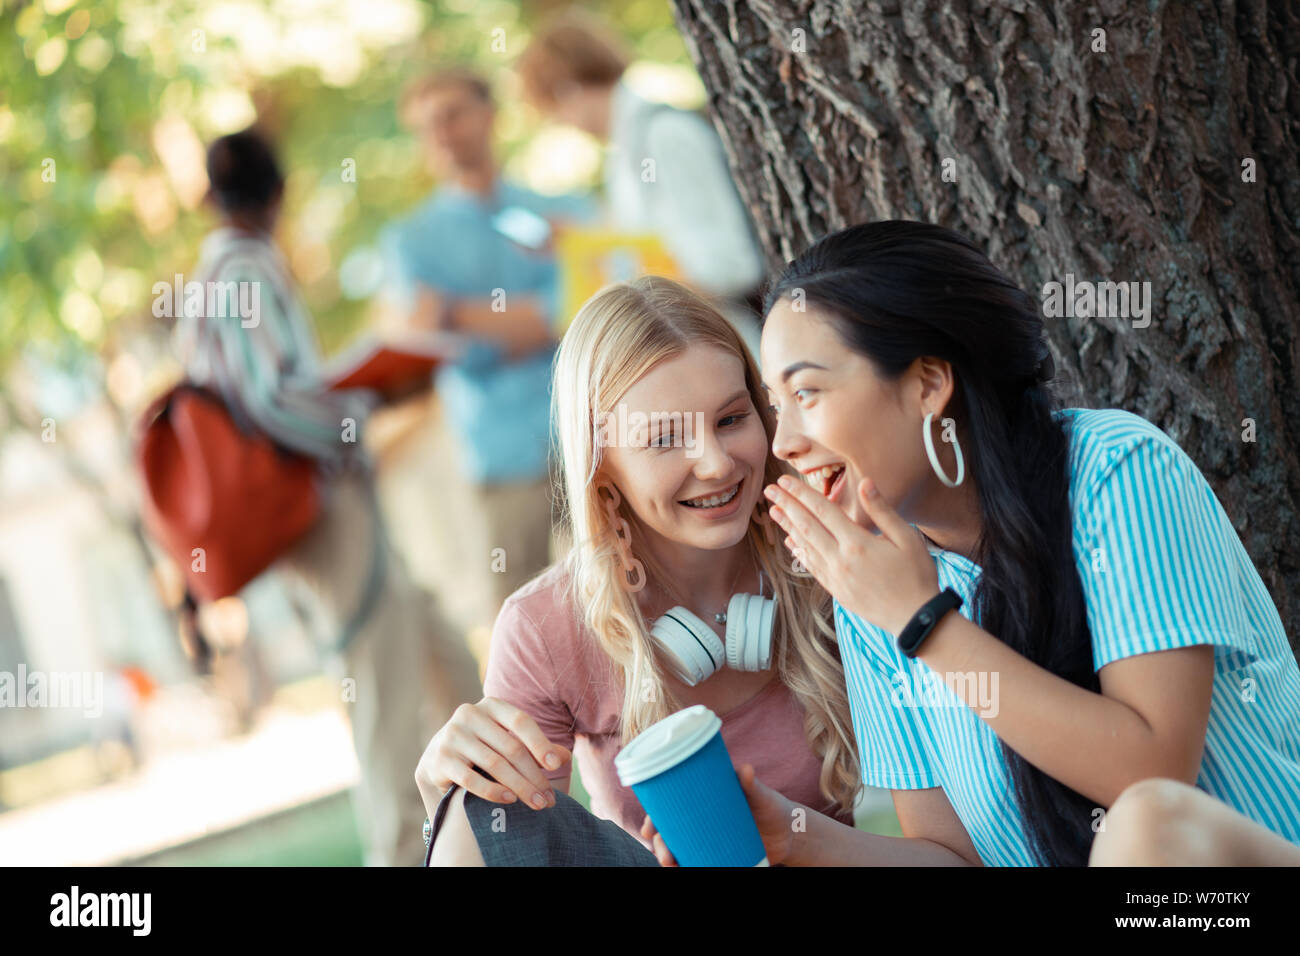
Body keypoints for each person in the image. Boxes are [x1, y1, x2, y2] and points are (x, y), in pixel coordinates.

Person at [644, 220, 1300, 866]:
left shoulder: (1115, 474)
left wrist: (922, 621)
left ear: (929, 382)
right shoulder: (867, 592)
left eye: (807, 392)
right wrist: (796, 838)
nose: (783, 442)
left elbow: (1152, 776)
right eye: (775, 405)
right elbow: (953, 858)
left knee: (1147, 826)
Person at [415, 277, 861, 865]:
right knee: (474, 814)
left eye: (731, 419)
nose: (716, 463)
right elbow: (518, 845)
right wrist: (444, 808)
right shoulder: (544, 626)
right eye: (666, 439)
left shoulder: (829, 550)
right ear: (603, 471)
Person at [175, 128, 483, 866]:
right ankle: (403, 853)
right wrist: (363, 407)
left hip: (325, 507)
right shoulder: (243, 269)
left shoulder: (217, 272)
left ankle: (496, 823)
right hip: (319, 509)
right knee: (381, 695)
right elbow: (273, 401)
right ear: (278, 192)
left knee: (447, 666)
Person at [383, 67, 594, 649]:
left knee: (632, 590)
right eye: (428, 126)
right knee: (524, 631)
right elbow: (431, 347)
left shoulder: (557, 212)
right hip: (500, 456)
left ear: (489, 114)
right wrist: (526, 319)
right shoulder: (411, 241)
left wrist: (456, 309)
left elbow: (578, 311)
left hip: (587, 433)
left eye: (453, 114)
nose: (444, 134)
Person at [516, 9, 766, 362]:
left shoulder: (664, 135)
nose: (561, 124)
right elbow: (652, 240)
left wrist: (638, 296)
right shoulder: (624, 152)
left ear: (566, 88)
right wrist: (586, 241)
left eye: (551, 110)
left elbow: (729, 265)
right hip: (692, 351)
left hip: (729, 351)